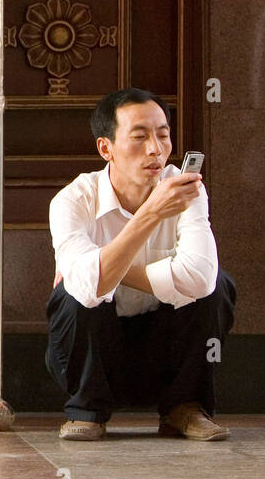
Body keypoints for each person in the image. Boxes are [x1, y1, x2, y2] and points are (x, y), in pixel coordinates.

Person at [45, 88, 236, 441]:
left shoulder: (185, 189)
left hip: (166, 350)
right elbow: (86, 292)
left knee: (220, 285)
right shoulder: (72, 200)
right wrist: (150, 214)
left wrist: (108, 273)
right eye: (139, 137)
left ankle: (185, 407)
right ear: (106, 148)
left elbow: (201, 280)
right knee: (71, 296)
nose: (156, 149)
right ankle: (88, 411)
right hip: (101, 354)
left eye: (163, 135)